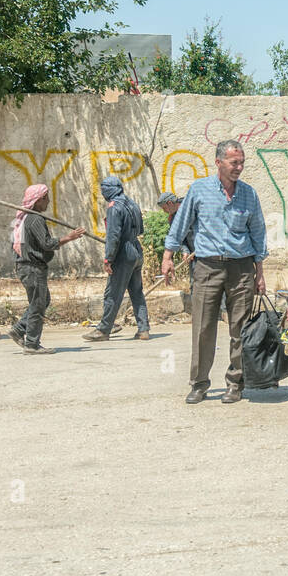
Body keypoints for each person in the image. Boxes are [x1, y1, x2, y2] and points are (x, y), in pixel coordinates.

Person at [161, 140, 268, 404]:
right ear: (219, 162)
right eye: (234, 162)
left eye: (242, 162)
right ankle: (199, 383)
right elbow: (181, 223)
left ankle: (236, 383)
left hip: (241, 268)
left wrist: (259, 272)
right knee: (203, 327)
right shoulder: (199, 190)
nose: (239, 168)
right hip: (207, 267)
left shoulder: (249, 194)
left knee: (240, 328)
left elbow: (258, 232)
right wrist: (168, 256)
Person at [8, 184, 86, 355]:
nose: (48, 201)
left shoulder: (22, 219)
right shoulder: (35, 219)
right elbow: (47, 244)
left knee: (43, 301)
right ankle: (32, 344)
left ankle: (20, 329)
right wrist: (69, 237)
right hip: (33, 268)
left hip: (25, 267)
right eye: (46, 198)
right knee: (37, 305)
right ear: (38, 200)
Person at [83, 176, 149, 342]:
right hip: (136, 250)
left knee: (112, 293)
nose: (103, 193)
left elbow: (113, 236)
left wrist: (108, 259)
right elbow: (140, 229)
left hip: (124, 253)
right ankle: (143, 329)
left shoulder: (114, 208)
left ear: (109, 190)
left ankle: (104, 330)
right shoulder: (132, 203)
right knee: (136, 292)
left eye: (104, 189)